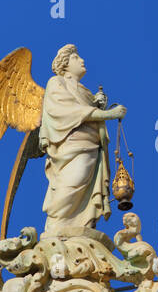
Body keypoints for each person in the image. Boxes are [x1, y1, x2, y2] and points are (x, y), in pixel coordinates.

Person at [39, 46, 126, 235]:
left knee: (84, 189)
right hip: (71, 146)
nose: (82, 61)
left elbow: (84, 110)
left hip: (92, 146)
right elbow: (64, 110)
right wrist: (107, 113)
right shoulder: (56, 83)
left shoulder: (84, 91)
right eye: (76, 58)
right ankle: (56, 228)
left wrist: (96, 105)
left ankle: (81, 226)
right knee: (71, 184)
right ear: (65, 64)